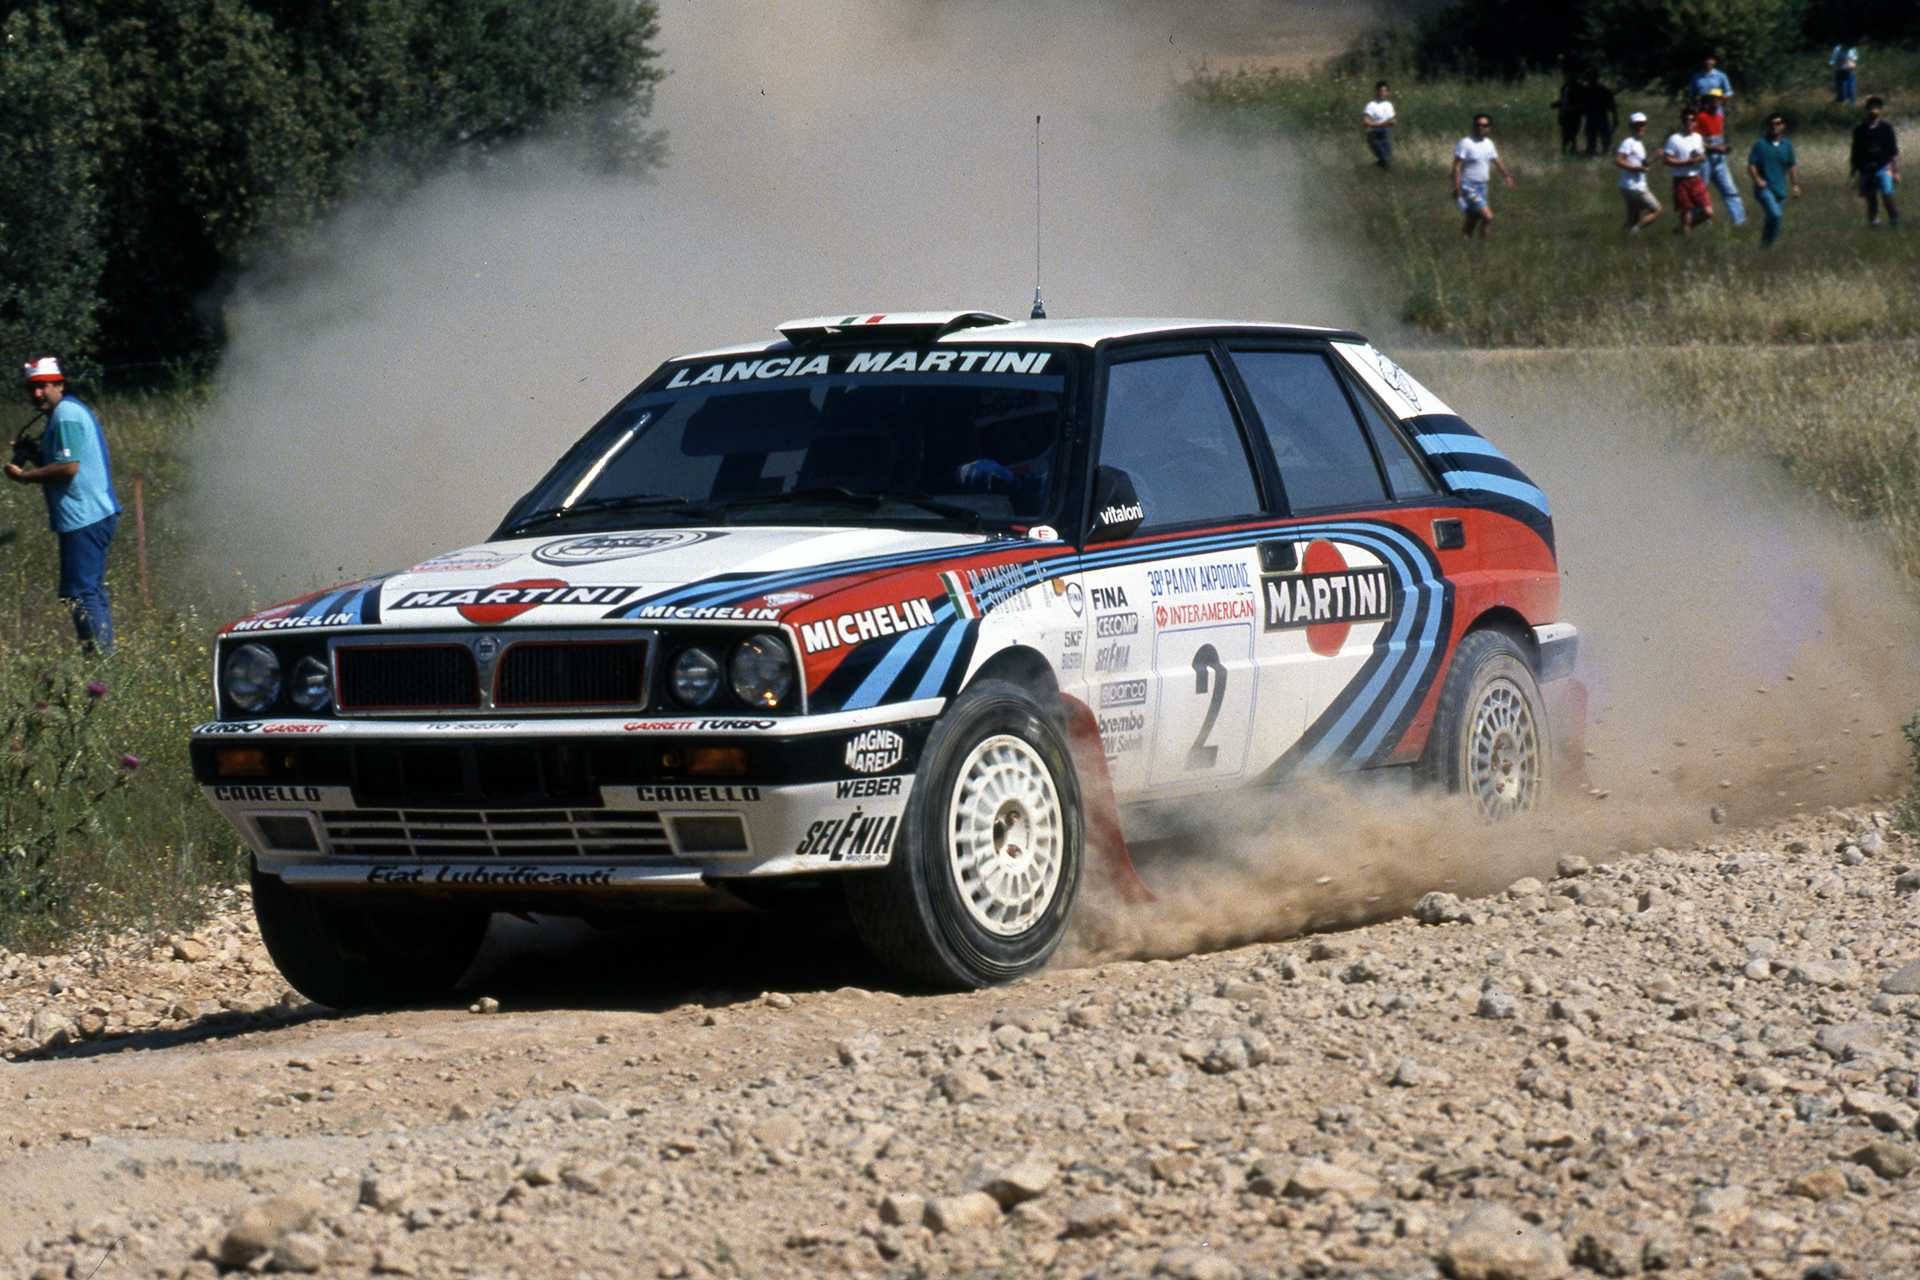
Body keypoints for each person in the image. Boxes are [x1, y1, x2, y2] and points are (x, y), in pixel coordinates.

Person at [3, 357, 121, 653]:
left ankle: (99, 658)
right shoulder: (67, 412)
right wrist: (36, 456)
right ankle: (103, 655)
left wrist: (24, 476)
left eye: (43, 386)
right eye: (32, 388)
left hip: (84, 516)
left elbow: (68, 467)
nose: (37, 393)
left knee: (80, 593)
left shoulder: (65, 414)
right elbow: (62, 462)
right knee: (89, 590)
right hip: (90, 515)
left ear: (59, 385)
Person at [1452, 113, 1515, 239]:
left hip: (1483, 185)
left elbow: (1496, 161)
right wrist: (1458, 189)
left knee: (1474, 216)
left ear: (1489, 127)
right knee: (1488, 216)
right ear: (1474, 126)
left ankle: (1465, 239)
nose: (1481, 127)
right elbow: (1456, 167)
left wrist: (1507, 176)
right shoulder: (1466, 143)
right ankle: (1484, 243)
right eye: (1478, 125)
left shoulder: (1489, 143)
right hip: (1468, 185)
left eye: (1485, 125)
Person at [1746, 112, 1801, 248]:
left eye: (1777, 123)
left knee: (1774, 220)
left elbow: (1792, 165)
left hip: (1780, 190)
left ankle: (1765, 247)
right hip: (1764, 189)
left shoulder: (1787, 145)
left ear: (1783, 126)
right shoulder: (1760, 144)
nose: (1774, 126)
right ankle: (1766, 246)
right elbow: (1751, 165)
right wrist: (1757, 180)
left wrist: (1795, 185)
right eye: (1771, 124)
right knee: (1775, 215)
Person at [1695, 90, 1747, 227]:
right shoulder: (1701, 117)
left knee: (1730, 190)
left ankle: (1740, 222)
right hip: (1704, 160)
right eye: (1715, 99)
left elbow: (1718, 139)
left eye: (1719, 99)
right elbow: (1696, 141)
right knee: (1701, 192)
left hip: (1719, 160)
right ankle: (1698, 223)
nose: (1717, 102)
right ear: (1709, 100)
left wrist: (1724, 147)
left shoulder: (1719, 117)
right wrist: (1715, 148)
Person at [1849, 96, 1900, 229]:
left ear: (1880, 110)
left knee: (1887, 194)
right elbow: (1855, 152)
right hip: (1866, 169)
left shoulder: (1886, 128)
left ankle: (1894, 219)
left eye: (1876, 108)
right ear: (1866, 110)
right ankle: (1874, 222)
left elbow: (1893, 151)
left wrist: (1895, 171)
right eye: (1871, 108)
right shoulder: (1859, 130)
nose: (1874, 111)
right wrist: (1853, 173)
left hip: (1884, 167)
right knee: (1871, 198)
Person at [1663, 106, 1713, 235]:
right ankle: (1685, 237)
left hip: (1696, 178)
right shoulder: (1674, 139)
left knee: (1708, 212)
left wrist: (1700, 158)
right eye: (1686, 120)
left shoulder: (1698, 137)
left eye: (1692, 120)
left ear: (1696, 122)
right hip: (1681, 180)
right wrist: (1686, 162)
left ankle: (1681, 230)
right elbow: (1667, 160)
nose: (1689, 122)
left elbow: (1702, 155)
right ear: (1682, 121)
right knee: (1686, 215)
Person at [1615, 111, 1662, 232]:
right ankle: (1634, 231)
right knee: (1657, 209)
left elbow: (1642, 164)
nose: (1640, 127)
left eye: (1642, 124)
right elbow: (1619, 160)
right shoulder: (1629, 142)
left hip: (1629, 186)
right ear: (1631, 126)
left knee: (1633, 218)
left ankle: (1624, 236)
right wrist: (1637, 169)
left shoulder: (1638, 143)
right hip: (1635, 186)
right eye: (1637, 125)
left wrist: (1653, 158)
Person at [1580, 73, 1618, 158]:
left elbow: (1612, 106)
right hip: (1595, 118)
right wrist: (1615, 118)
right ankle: (1596, 155)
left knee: (1603, 141)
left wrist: (1615, 118)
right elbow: (1612, 106)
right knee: (1594, 141)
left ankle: (1601, 155)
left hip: (1598, 118)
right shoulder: (1590, 90)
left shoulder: (1599, 90)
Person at [1362, 81, 1396, 169]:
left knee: (1389, 160)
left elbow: (1393, 121)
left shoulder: (1389, 105)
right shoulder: (1371, 105)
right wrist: (1382, 124)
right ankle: (1370, 170)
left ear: (1387, 92)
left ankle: (1369, 170)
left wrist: (1389, 123)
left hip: (1384, 136)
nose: (1382, 93)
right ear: (1377, 91)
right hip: (1374, 136)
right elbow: (1366, 122)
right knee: (1384, 159)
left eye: (1385, 91)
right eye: (1381, 91)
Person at [1554, 74, 1582, 156]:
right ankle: (1565, 151)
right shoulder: (1564, 87)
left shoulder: (1579, 88)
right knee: (1565, 134)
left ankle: (1572, 151)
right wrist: (1559, 106)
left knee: (1572, 134)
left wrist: (1573, 108)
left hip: (1574, 116)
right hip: (1565, 115)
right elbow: (1564, 101)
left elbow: (1581, 102)